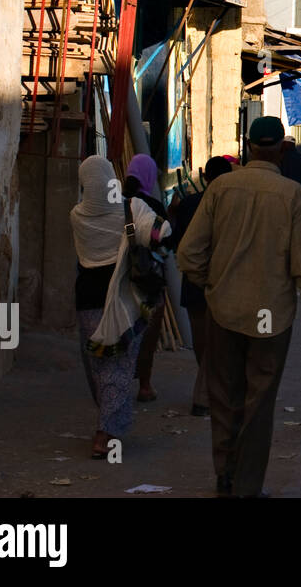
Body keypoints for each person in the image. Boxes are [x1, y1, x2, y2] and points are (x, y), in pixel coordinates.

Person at [177, 116, 301, 498]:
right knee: (259, 404)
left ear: (248, 144)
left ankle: (224, 475)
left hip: (224, 310)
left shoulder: (221, 188)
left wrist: (212, 284)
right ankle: (246, 487)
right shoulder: (292, 195)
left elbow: (189, 253)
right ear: (282, 149)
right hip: (271, 317)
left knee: (224, 397)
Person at [71, 155, 172, 458]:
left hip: (88, 297)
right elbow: (162, 233)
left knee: (99, 365)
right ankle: (105, 433)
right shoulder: (131, 208)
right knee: (119, 364)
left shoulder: (76, 214)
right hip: (125, 297)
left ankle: (107, 421)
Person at [169, 155, 232, 417]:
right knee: (218, 344)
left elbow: (176, 244)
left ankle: (206, 392)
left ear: (206, 177)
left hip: (194, 284)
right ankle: (205, 395)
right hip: (222, 284)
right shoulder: (233, 208)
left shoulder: (189, 204)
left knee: (202, 343)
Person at [125, 153, 168, 404]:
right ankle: (144, 385)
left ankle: (116, 383)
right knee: (148, 334)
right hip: (148, 280)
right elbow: (162, 245)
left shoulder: (118, 202)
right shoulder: (154, 207)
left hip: (120, 277)